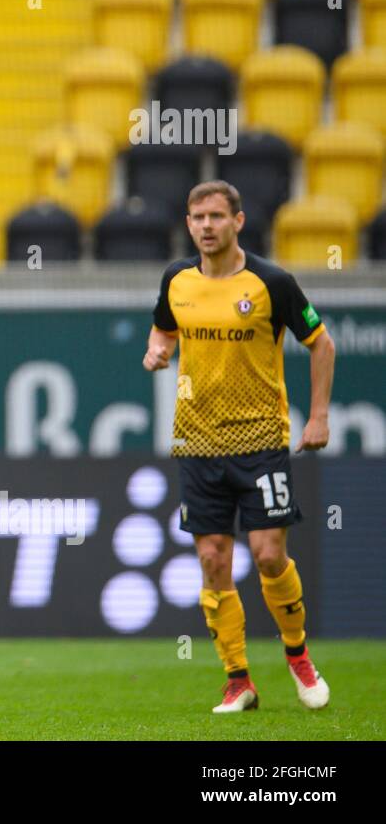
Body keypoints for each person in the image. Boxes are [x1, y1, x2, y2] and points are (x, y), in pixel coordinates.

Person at [144, 180, 335, 714]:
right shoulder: (176, 280)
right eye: (197, 217)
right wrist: (157, 351)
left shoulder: (272, 282)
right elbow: (163, 330)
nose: (206, 226)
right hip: (197, 442)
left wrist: (318, 416)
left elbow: (321, 343)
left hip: (261, 441)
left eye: (216, 217)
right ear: (188, 224)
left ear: (238, 222)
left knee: (270, 555)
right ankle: (238, 680)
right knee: (211, 559)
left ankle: (298, 658)